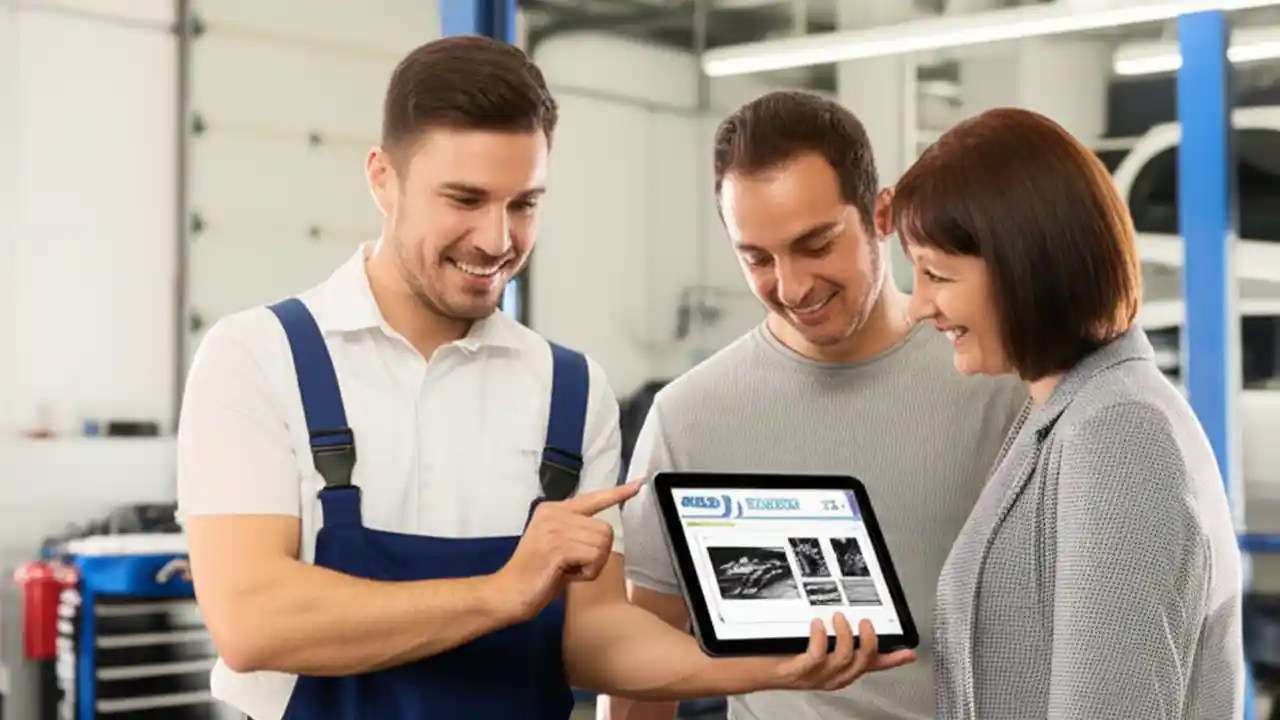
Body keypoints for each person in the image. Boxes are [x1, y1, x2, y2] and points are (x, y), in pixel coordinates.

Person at [175, 36, 915, 720]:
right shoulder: (258, 359)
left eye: (524, 203)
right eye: (464, 199)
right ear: (383, 179)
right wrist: (501, 594)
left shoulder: (569, 389)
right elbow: (253, 621)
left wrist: (764, 668)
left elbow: (592, 638)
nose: (497, 239)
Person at [610, 91, 1026, 720]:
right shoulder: (686, 417)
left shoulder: (1000, 386)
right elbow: (643, 669)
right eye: (757, 258)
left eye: (816, 244)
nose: (792, 285)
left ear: (881, 216)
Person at [891, 107, 1244, 719]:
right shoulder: (1065, 411)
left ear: (1024, 269)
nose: (918, 305)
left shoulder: (1118, 432)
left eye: (937, 275)